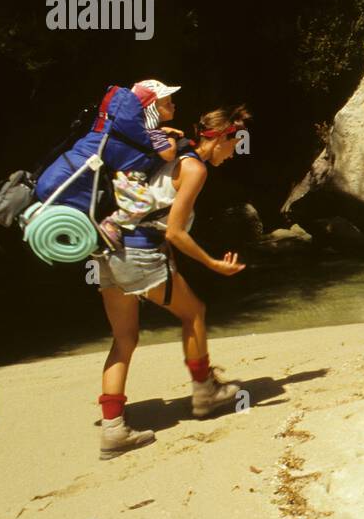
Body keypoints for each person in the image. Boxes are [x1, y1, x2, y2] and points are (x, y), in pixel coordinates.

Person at [95, 104, 251, 459]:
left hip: (107, 249)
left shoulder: (167, 154)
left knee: (124, 338)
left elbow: (156, 218)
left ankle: (113, 430)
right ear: (220, 137)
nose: (233, 153)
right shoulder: (194, 168)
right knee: (194, 312)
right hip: (138, 255)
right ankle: (204, 393)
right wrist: (213, 264)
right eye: (234, 143)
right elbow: (176, 232)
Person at [97, 79, 186, 250]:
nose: (173, 106)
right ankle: (111, 224)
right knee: (145, 201)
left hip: (128, 175)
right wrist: (171, 138)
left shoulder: (148, 129)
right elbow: (168, 154)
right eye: (167, 103)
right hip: (130, 178)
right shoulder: (154, 131)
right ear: (152, 109)